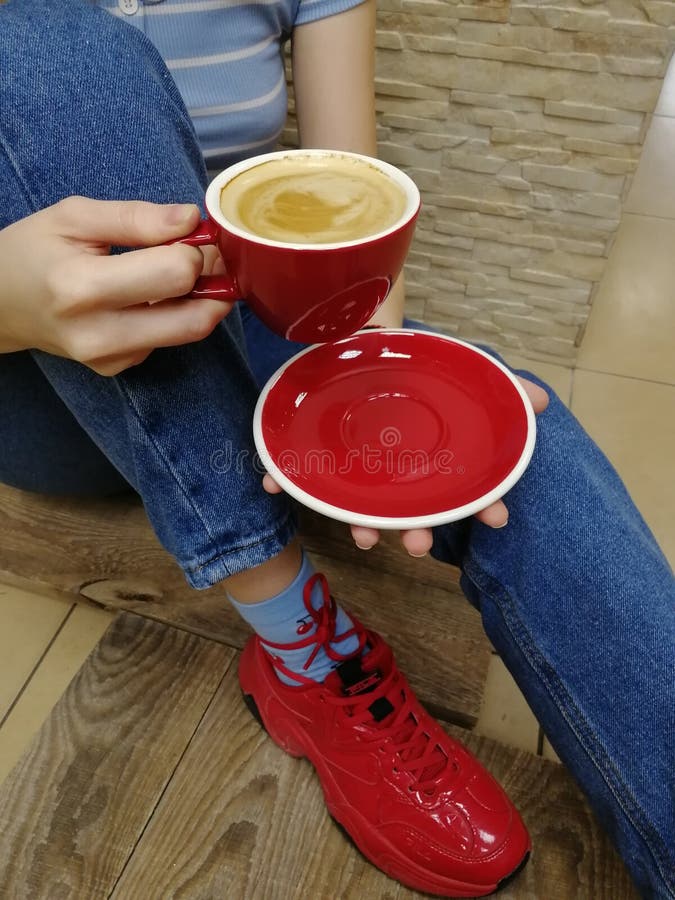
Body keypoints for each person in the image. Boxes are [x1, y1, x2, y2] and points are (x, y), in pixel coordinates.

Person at [0, 2, 672, 897]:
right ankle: (304, 652)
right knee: (49, 42)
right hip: (38, 373)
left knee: (514, 440)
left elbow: (358, 204)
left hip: (241, 320)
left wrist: (376, 390)